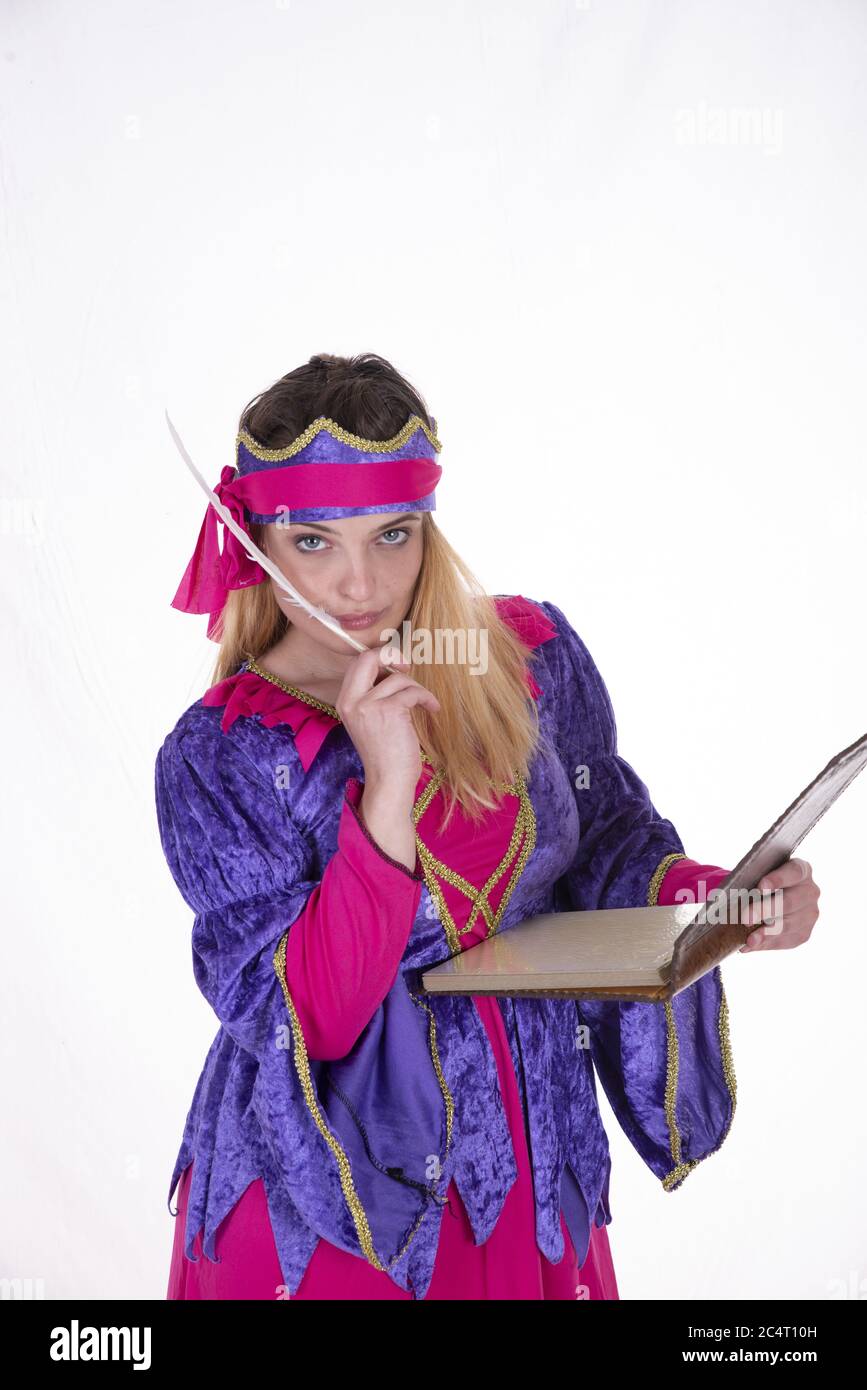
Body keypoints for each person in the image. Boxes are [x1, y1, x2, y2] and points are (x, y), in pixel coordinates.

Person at [155, 352, 820, 1300]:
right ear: (255, 541)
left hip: (529, 1152)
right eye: (314, 542)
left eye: (394, 534)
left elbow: (604, 841)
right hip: (337, 1187)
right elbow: (309, 1015)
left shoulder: (524, 656)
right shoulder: (221, 752)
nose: (359, 583)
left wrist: (711, 906)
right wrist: (384, 786)